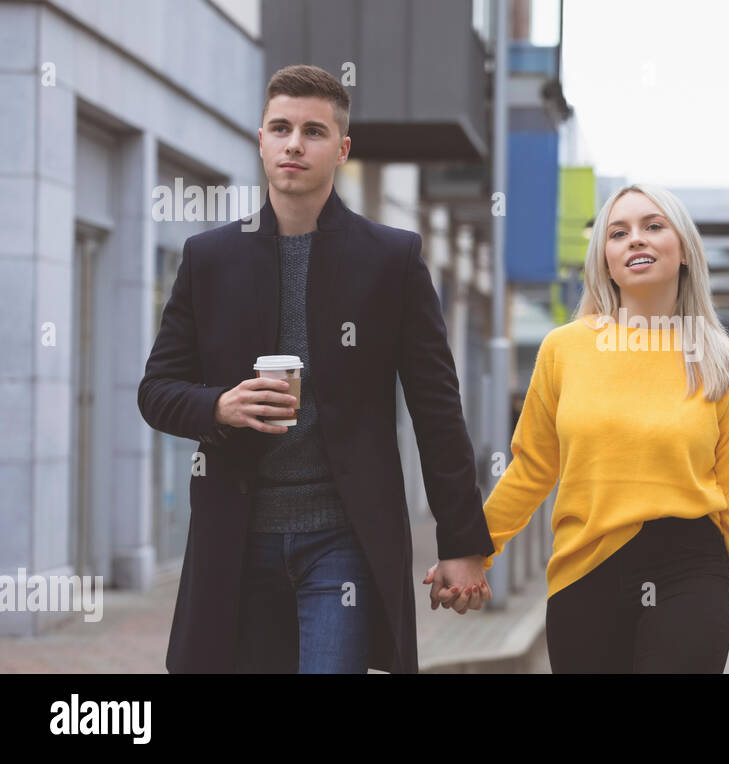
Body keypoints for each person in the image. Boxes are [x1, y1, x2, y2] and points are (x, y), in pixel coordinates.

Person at [138, 65, 493, 674]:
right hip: (235, 542)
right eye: (280, 128)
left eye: (313, 131)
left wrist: (462, 545)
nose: (294, 143)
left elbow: (437, 410)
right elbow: (156, 390)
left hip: (344, 543)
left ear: (342, 149)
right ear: (261, 140)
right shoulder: (209, 259)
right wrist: (218, 406)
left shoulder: (392, 258)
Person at [427, 183, 729, 674]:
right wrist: (472, 552)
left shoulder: (722, 364)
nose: (635, 239)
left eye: (653, 226)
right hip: (584, 575)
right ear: (605, 260)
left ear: (683, 251)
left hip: (688, 573)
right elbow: (531, 468)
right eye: (618, 233)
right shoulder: (564, 350)